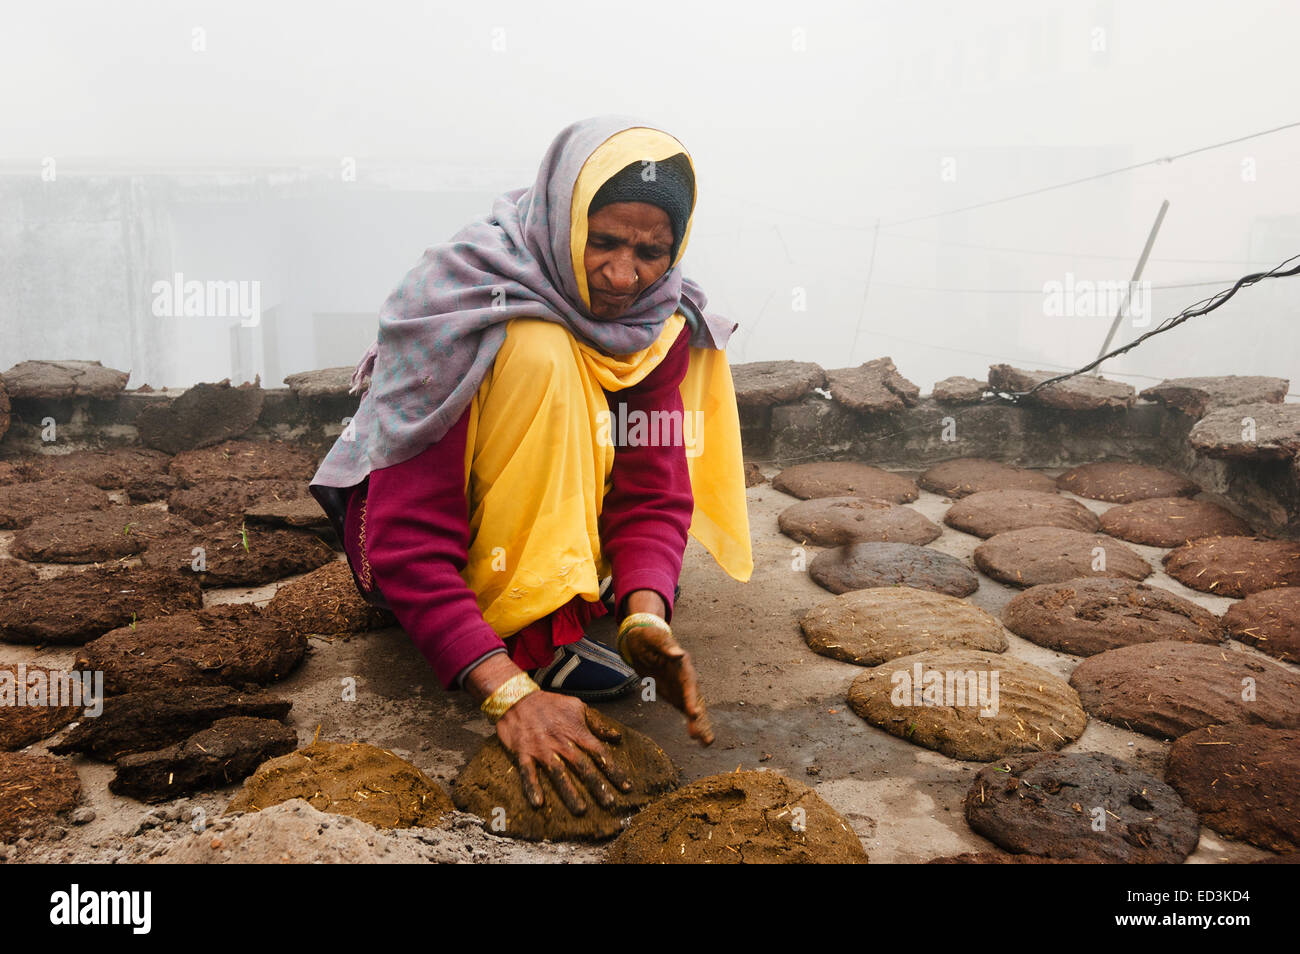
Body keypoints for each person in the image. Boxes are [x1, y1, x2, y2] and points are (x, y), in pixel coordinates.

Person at [309, 115, 752, 816]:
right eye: (602, 241)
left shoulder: (652, 320)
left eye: (651, 252)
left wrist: (644, 616)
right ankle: (526, 638)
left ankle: (563, 606)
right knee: (539, 350)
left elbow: (652, 490)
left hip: (553, 539)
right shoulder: (465, 300)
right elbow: (405, 539)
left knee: (641, 346)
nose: (622, 274)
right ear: (564, 216)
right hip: (408, 558)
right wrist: (508, 693)